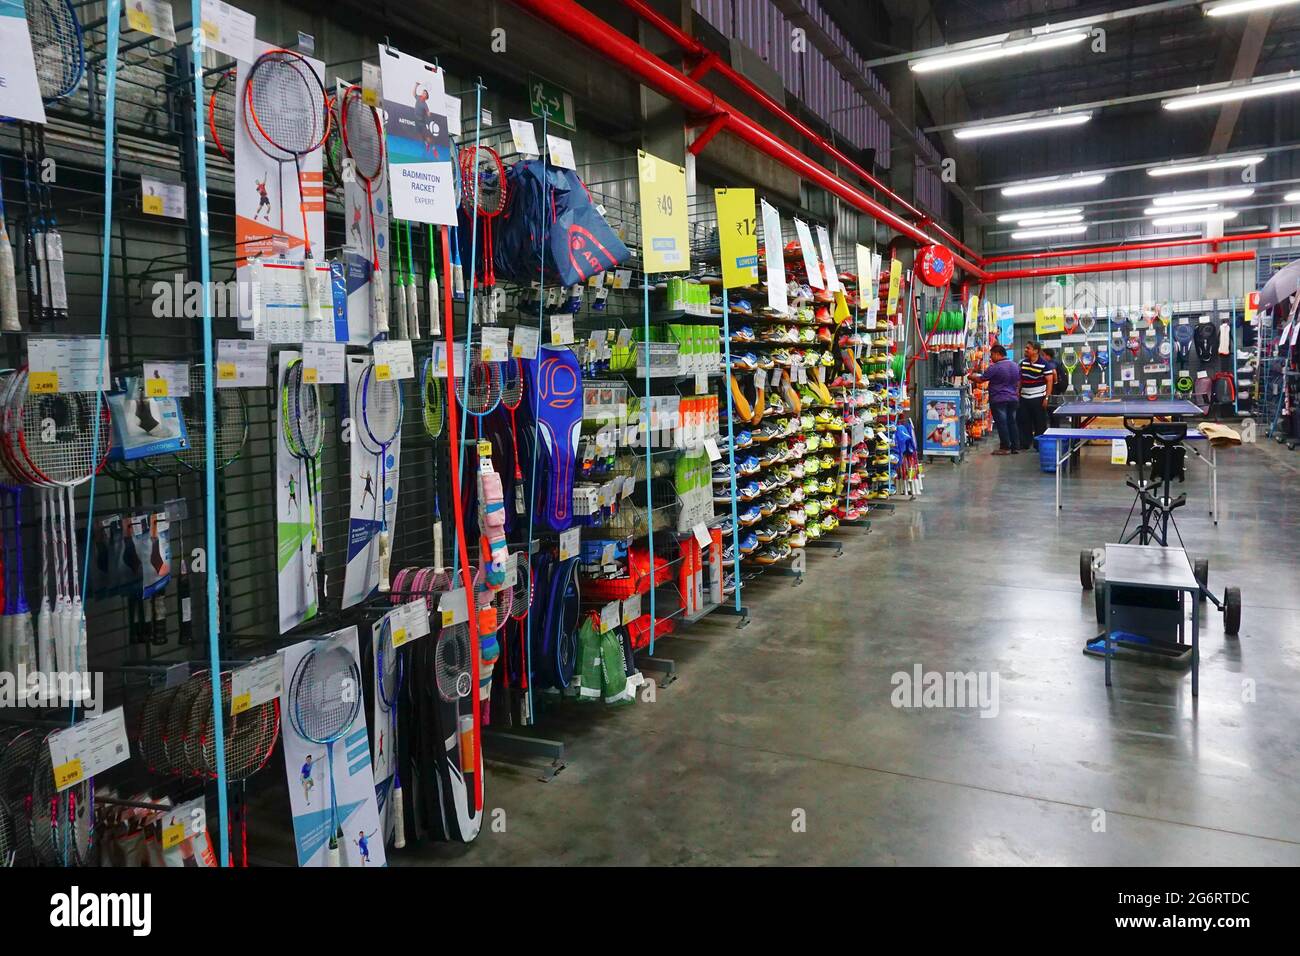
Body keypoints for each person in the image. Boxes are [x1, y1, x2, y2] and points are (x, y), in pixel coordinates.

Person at [967, 344, 1020, 455]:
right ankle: (1015, 446)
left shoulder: (995, 367)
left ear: (997, 354)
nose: (991, 357)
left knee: (1002, 423)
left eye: (992, 355)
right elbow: (1019, 382)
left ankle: (1005, 447)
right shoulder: (1015, 365)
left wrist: (969, 376)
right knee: (1012, 422)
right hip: (1013, 398)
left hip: (999, 399)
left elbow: (981, 379)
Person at [1018, 341, 1053, 450]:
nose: (1025, 350)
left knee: (1039, 423)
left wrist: (1046, 398)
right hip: (1024, 398)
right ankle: (1025, 444)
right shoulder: (1023, 363)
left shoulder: (1045, 364)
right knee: (1024, 422)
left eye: (1028, 348)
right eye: (1026, 348)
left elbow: (1050, 381)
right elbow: (1020, 379)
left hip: (1038, 398)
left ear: (1036, 351)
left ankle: (1039, 445)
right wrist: (1017, 392)